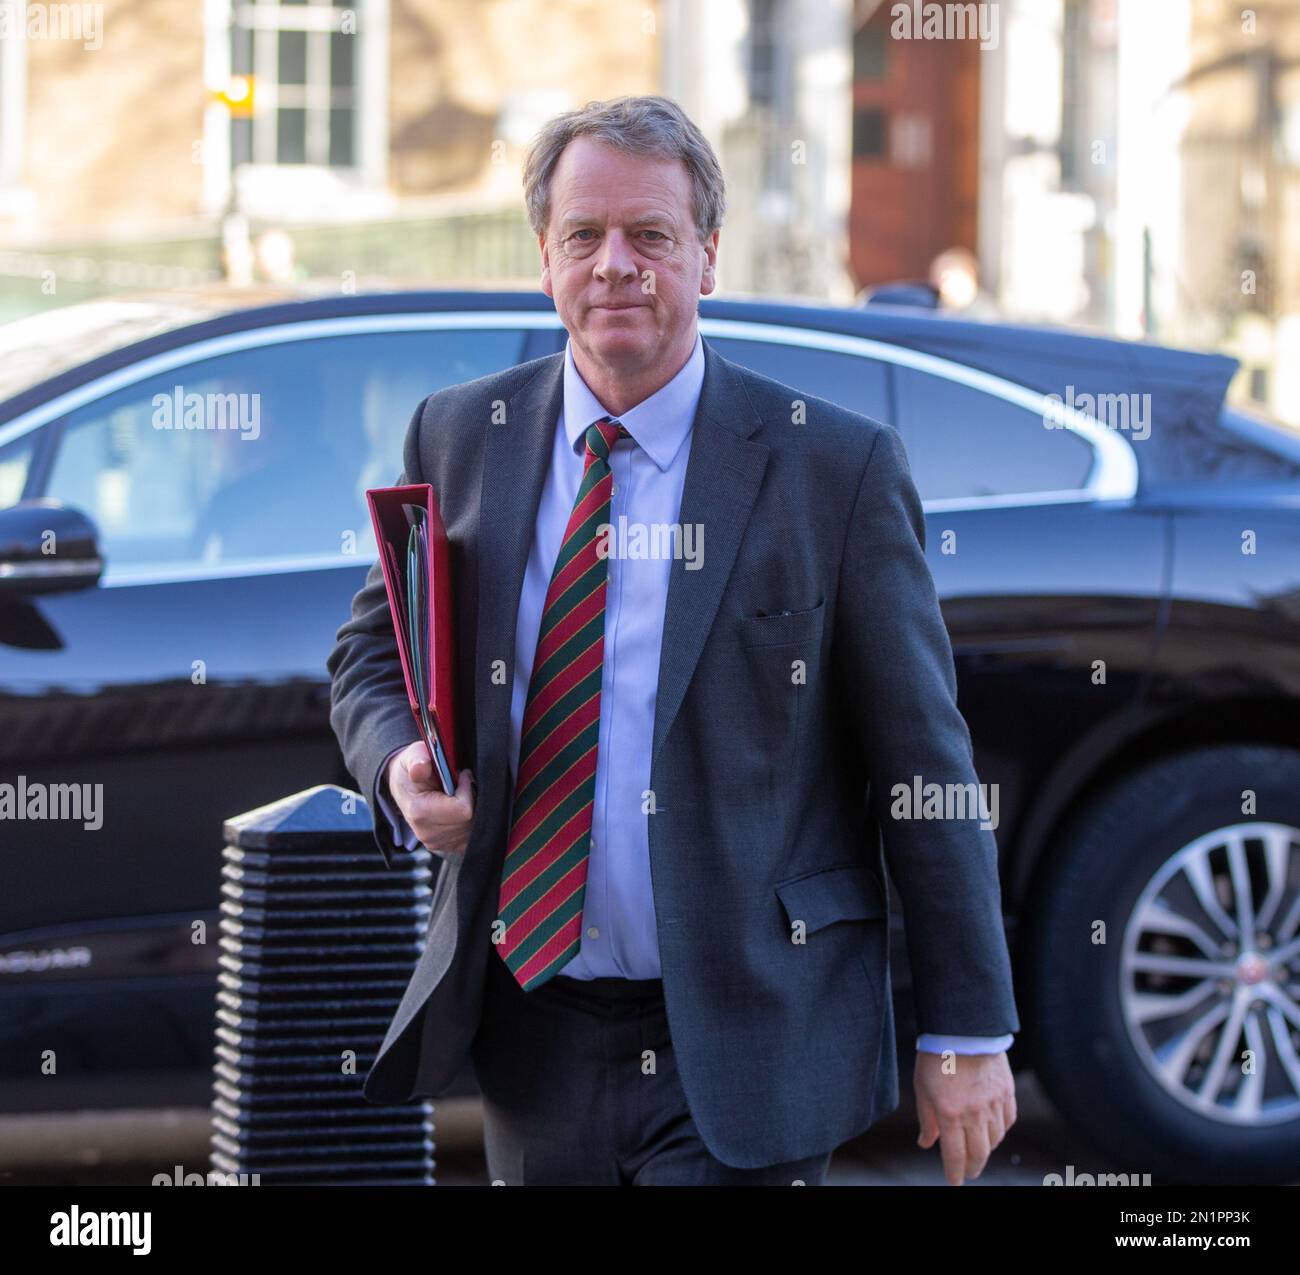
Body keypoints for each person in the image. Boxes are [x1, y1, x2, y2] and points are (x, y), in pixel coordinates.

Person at [326, 94, 1019, 1186]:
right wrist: (397, 765)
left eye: (650, 235)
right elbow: (372, 655)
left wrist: (966, 1032)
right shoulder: (462, 436)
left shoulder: (829, 471)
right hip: (534, 1024)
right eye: (582, 236)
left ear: (706, 256)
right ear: (543, 256)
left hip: (751, 1024)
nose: (615, 265)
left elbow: (923, 766)